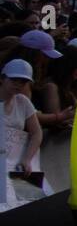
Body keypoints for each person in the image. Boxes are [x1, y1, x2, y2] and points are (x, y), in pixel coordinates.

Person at [2, 59, 45, 210]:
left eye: (23, 81)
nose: (18, 85)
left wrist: (27, 159)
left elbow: (36, 132)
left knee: (31, 205)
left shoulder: (23, 101)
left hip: (18, 159)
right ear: (3, 78)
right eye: (14, 80)